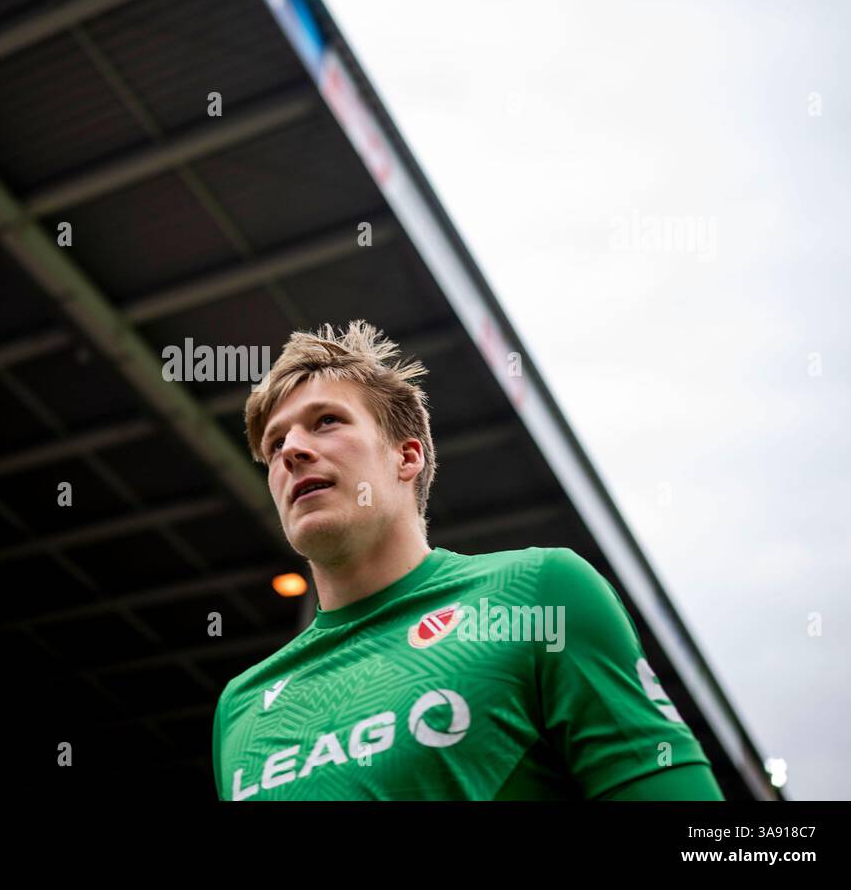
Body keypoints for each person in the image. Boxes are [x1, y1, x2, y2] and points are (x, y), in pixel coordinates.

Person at [212, 320, 723, 800]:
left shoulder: (539, 593)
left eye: (326, 421)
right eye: (276, 443)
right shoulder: (241, 706)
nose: (292, 450)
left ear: (406, 457)